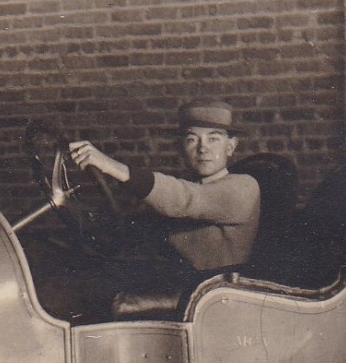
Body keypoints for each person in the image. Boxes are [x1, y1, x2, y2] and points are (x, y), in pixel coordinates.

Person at [68, 98, 261, 272]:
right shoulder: (187, 187)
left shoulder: (243, 187)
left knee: (117, 302)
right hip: (180, 282)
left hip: (213, 294)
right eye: (192, 139)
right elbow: (137, 226)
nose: (203, 148)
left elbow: (185, 199)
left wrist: (110, 166)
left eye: (213, 139)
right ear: (180, 148)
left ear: (230, 146)